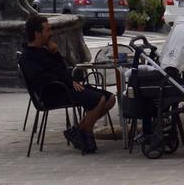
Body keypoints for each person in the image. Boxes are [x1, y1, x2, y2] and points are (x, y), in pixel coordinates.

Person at [19, 15, 115, 153]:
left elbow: (61, 70)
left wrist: (55, 53)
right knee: (98, 100)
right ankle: (85, 135)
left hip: (66, 86)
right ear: (37, 34)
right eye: (47, 30)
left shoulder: (45, 50)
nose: (51, 34)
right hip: (54, 93)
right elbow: (43, 79)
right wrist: (68, 82)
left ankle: (77, 131)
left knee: (110, 99)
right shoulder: (28, 57)